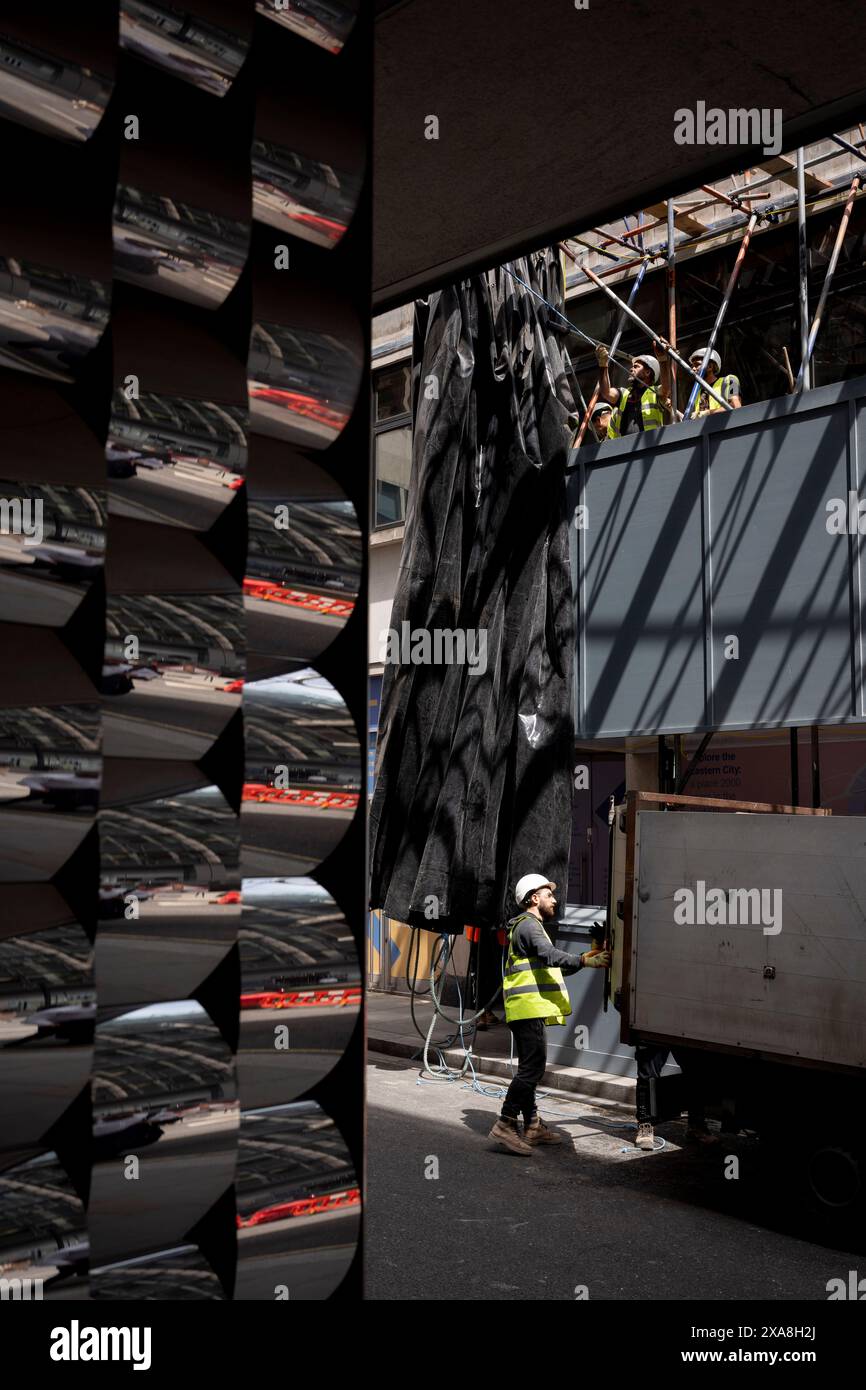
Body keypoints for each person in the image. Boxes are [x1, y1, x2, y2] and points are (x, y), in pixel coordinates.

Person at [487, 874, 610, 1155]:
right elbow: (552, 956)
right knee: (533, 1069)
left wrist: (588, 956)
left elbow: (553, 965)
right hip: (528, 1009)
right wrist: (583, 960)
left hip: (526, 1010)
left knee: (528, 1068)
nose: (554, 899)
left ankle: (531, 1125)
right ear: (534, 898)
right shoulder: (529, 926)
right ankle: (505, 1124)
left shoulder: (530, 928)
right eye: (549, 894)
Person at [595, 341, 674, 437]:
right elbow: (606, 392)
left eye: (636, 367)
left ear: (648, 372)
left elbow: (667, 388)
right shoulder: (624, 394)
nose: (631, 369)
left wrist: (662, 359)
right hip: (625, 447)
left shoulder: (654, 392)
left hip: (650, 446)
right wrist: (603, 365)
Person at [688, 347, 743, 415]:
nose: (693, 369)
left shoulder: (731, 380)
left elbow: (736, 406)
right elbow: (691, 419)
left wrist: (708, 412)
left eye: (697, 365)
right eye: (692, 366)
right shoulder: (696, 393)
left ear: (710, 367)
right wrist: (672, 408)